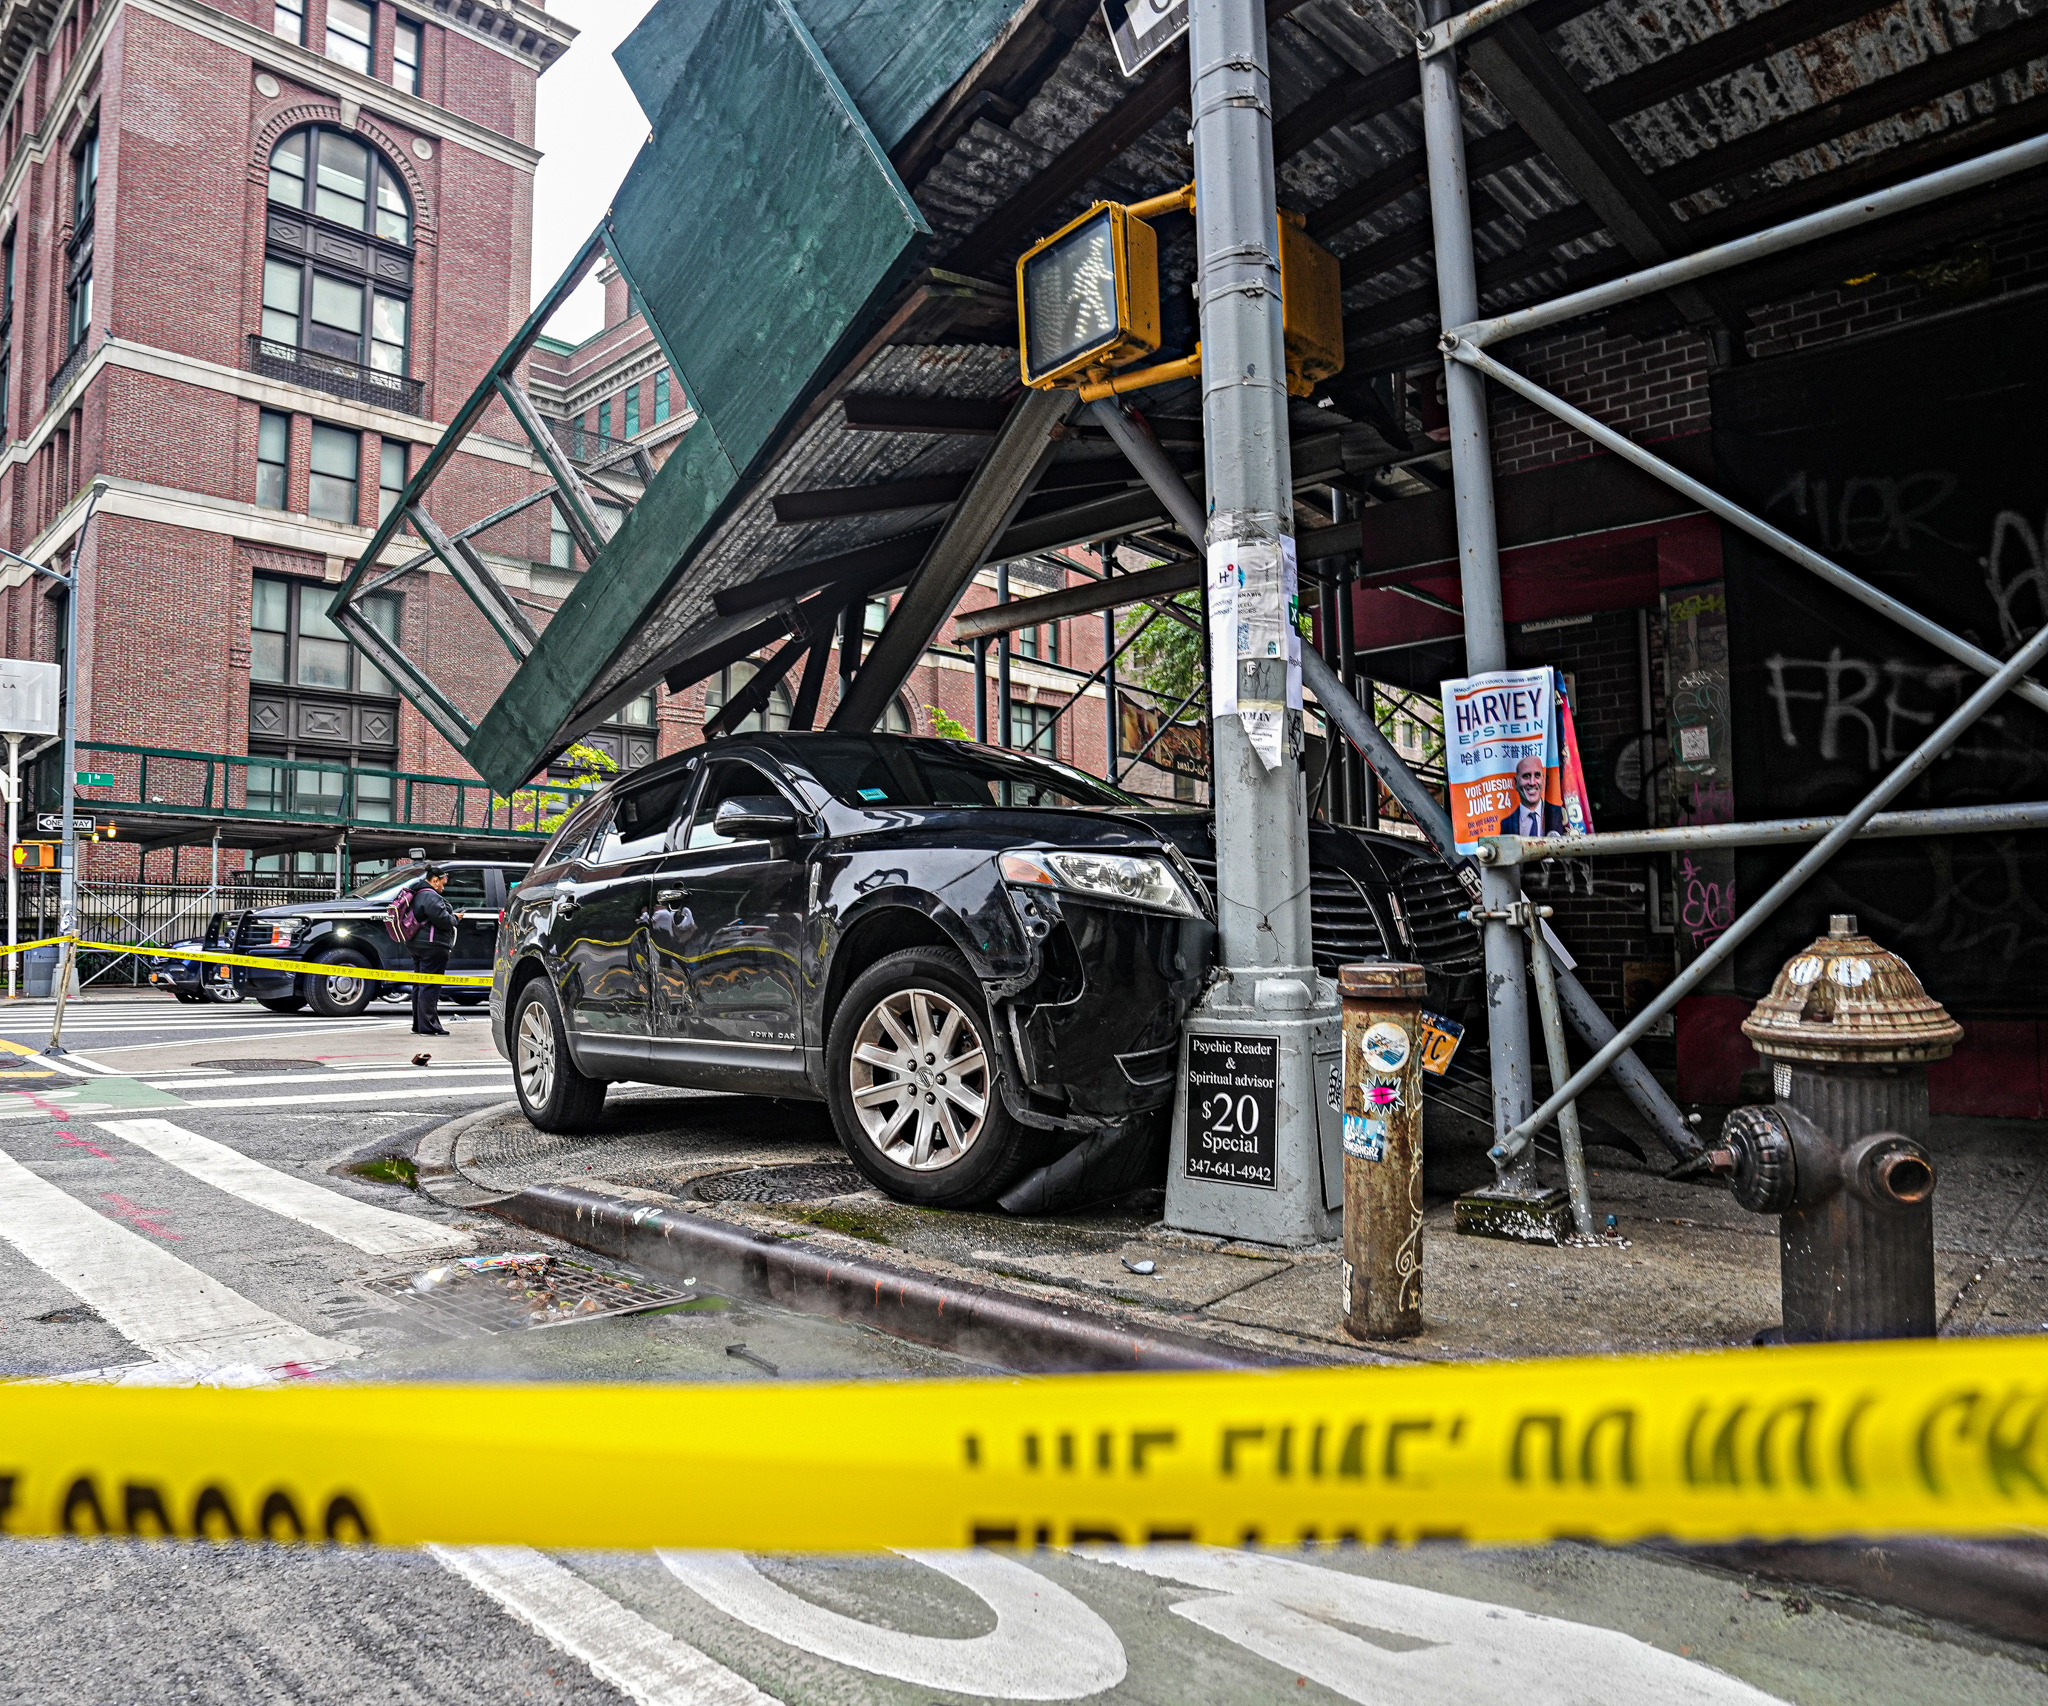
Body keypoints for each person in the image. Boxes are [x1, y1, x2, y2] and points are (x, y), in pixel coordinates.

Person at [408, 865, 458, 1036]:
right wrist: (455, 918)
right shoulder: (430, 895)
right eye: (442, 883)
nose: (443, 887)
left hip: (417, 944)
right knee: (430, 985)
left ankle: (418, 1024)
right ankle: (429, 1026)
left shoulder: (417, 893)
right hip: (432, 944)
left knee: (420, 984)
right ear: (435, 880)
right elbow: (442, 920)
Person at [1496, 752, 1566, 838]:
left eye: (1537, 775)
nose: (1532, 782)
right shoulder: (1506, 824)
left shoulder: (1559, 814)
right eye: (1526, 776)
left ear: (1544, 780)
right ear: (1516, 782)